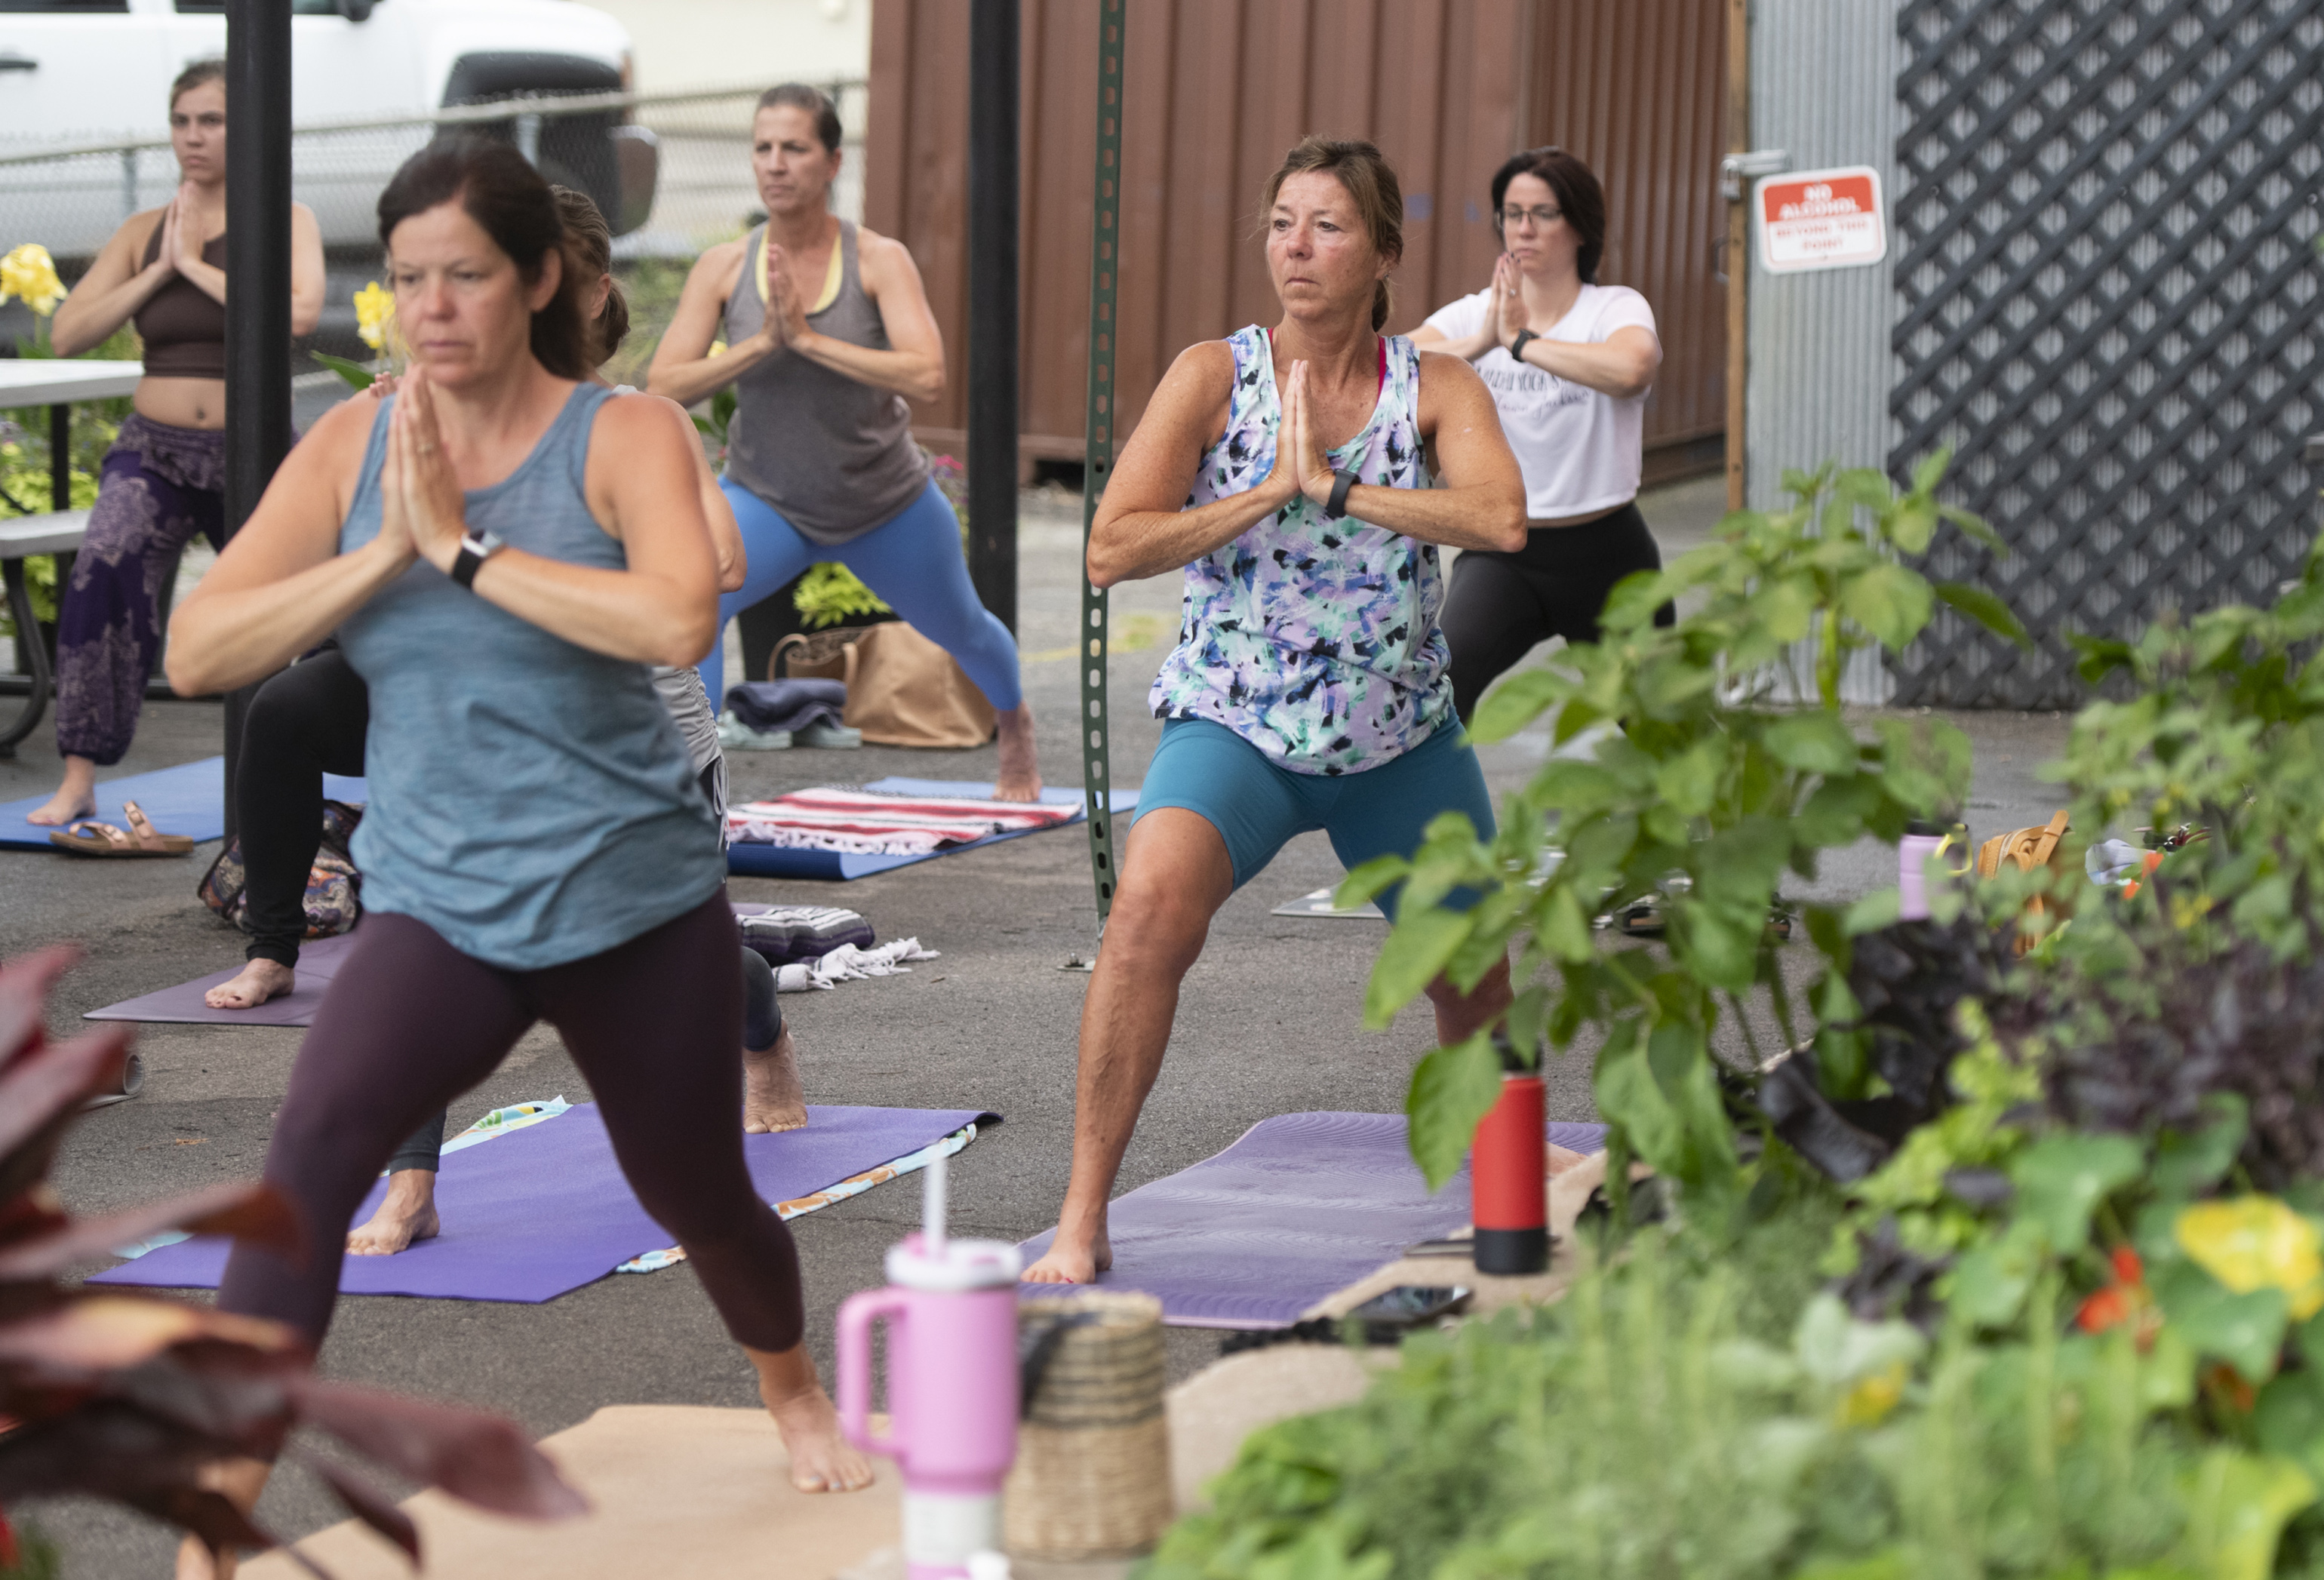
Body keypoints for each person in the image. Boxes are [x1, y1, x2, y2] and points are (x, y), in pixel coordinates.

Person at [164, 138, 869, 1575]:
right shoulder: (355, 445)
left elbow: (675, 619)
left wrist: (472, 554)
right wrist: (384, 555)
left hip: (630, 896)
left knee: (697, 1191)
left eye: (464, 275)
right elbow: (199, 649)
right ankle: (222, 1513)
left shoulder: (621, 436)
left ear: (536, 279)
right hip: (442, 903)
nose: (429, 305)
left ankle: (791, 1386)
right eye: (407, 279)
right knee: (307, 1156)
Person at [198, 187, 807, 1268]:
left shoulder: (631, 428)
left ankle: (763, 1035)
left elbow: (715, 571)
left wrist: (555, 551)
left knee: (703, 969)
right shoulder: (417, 420)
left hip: (638, 761)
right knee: (421, 930)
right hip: (475, 754)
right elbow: (218, 636)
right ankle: (414, 1182)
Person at [1021, 137, 1528, 1286]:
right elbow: (1111, 547)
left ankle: (1505, 1206)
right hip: (1237, 728)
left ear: (1384, 251)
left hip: (1399, 739)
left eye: (1329, 225)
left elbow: (1502, 522)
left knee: (1476, 975)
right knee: (1146, 913)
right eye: (1282, 222)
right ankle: (1081, 1212)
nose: (1296, 247)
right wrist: (1265, 490)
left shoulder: (1434, 383)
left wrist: (1342, 487)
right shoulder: (1215, 375)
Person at [647, 81, 1041, 800]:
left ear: (831, 163)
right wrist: (762, 344)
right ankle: (692, 786)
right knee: (693, 603)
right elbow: (663, 387)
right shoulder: (726, 268)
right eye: (763, 148)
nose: (775, 163)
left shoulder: (877, 260)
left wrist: (807, 339)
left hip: (883, 503)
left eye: (794, 148)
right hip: (769, 499)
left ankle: (1014, 729)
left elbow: (927, 374)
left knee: (966, 628)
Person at [27, 57, 324, 826]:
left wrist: (195, 264)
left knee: (313, 598)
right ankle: (78, 775)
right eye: (181, 121)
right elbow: (67, 333)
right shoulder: (142, 230)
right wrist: (158, 267)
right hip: (153, 450)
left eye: (212, 120)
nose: (193, 137)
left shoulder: (281, 219)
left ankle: (324, 763)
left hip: (252, 449)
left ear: (243, 128)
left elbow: (294, 316)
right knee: (102, 565)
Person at [1410, 146, 1665, 723]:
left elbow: (1632, 369)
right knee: (1440, 694)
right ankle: (1448, 816)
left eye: (1543, 213)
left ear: (1579, 224)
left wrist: (1522, 344)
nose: (1523, 228)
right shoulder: (1475, 315)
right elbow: (1393, 362)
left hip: (1605, 552)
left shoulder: (1613, 309)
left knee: (1663, 725)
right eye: (1511, 212)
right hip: (1504, 552)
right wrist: (1483, 341)